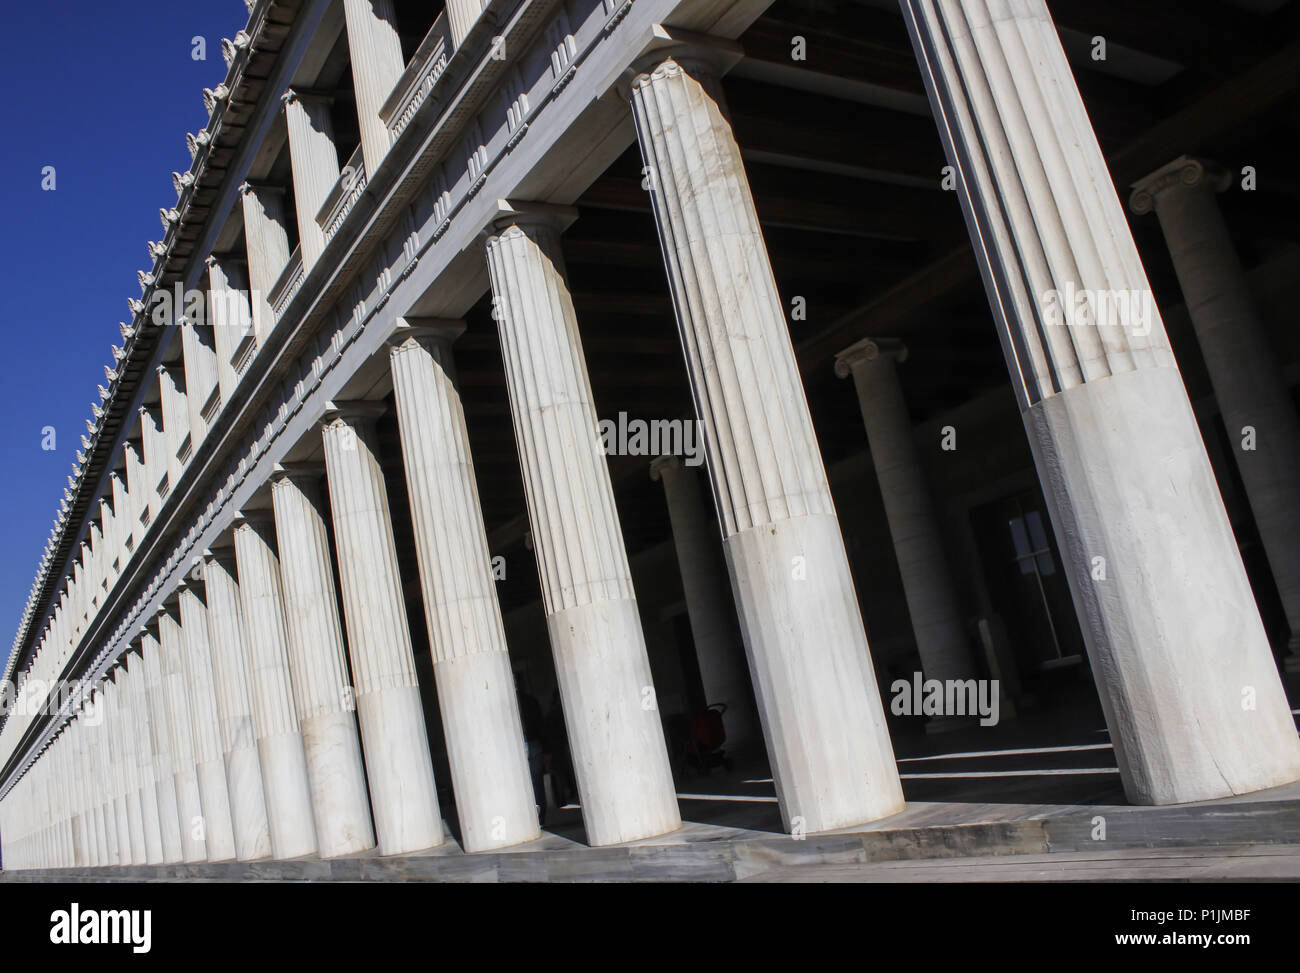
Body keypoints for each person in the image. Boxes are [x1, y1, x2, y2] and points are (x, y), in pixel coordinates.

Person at [516, 681, 546, 825]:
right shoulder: (530, 700)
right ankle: (540, 815)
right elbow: (540, 723)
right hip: (534, 743)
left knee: (521, 784)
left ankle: (528, 818)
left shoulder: (510, 702)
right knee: (537, 782)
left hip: (519, 744)